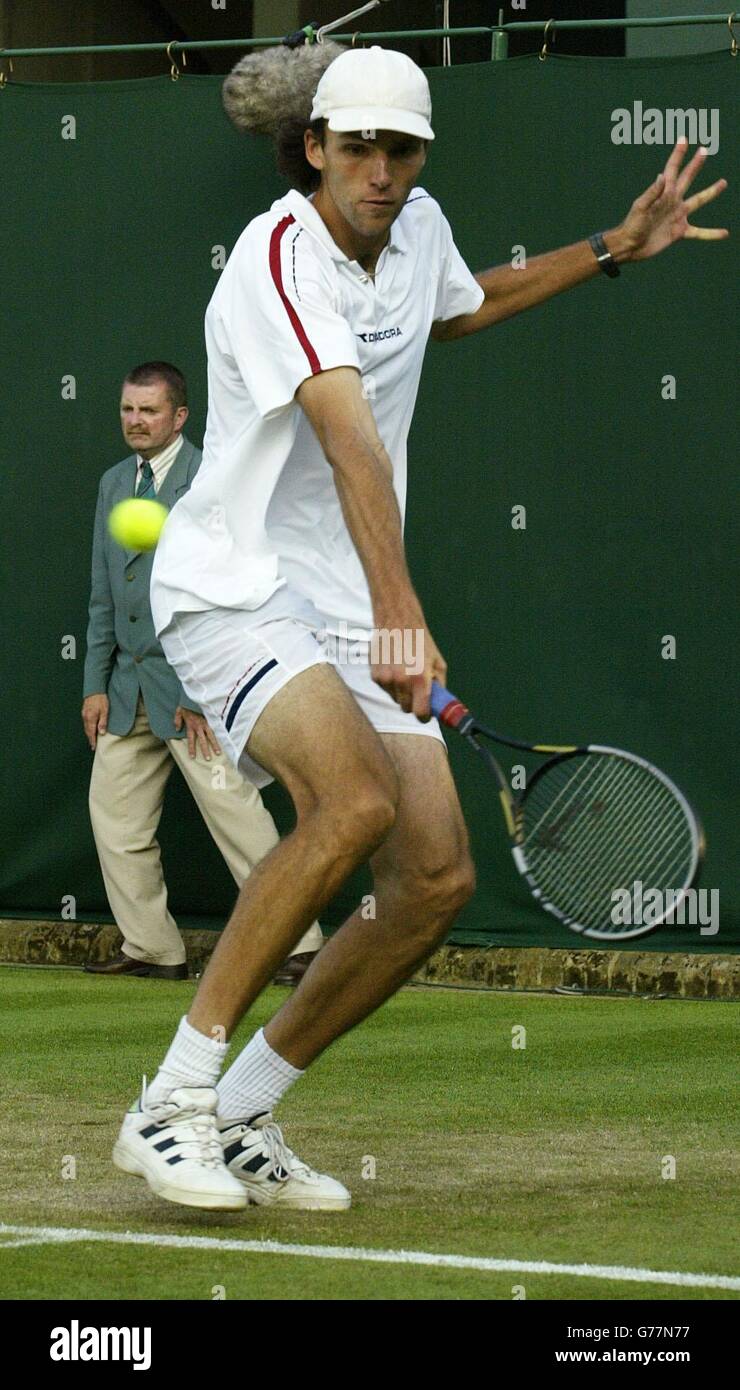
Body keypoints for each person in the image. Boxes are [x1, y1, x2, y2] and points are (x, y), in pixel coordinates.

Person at [112, 47, 727, 1212]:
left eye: (401, 151)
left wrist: (606, 249)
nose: (381, 173)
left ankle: (242, 1113)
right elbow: (347, 439)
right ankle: (169, 1103)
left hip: (345, 597)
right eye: (358, 149)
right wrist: (402, 614)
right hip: (232, 585)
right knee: (349, 802)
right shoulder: (274, 256)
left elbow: (457, 304)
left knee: (434, 878)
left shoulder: (419, 225)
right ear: (314, 149)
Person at [82, 361, 322, 982]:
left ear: (180, 417)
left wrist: (199, 691)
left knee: (240, 818)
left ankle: (299, 948)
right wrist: (94, 686)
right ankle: (153, 950)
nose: (135, 421)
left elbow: (226, 590)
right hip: (127, 689)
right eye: (128, 409)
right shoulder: (114, 483)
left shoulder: (210, 481)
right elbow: (103, 595)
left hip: (200, 692)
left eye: (149, 411)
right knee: (114, 819)